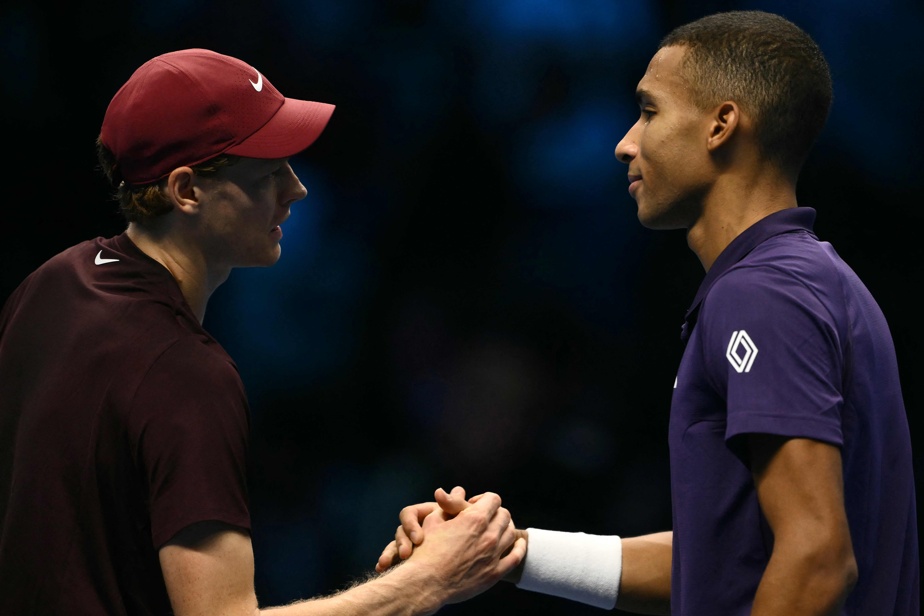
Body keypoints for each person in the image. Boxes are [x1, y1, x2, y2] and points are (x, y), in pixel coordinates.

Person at [377, 10, 919, 615]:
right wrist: (511, 551)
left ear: (721, 125)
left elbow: (816, 557)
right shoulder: (815, 281)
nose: (624, 143)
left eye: (649, 111)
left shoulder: (762, 295)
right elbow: (722, 565)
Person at [0, 48, 525, 615]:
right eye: (269, 172)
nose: (295, 190)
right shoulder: (186, 373)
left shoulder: (52, 282)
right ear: (186, 191)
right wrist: (430, 580)